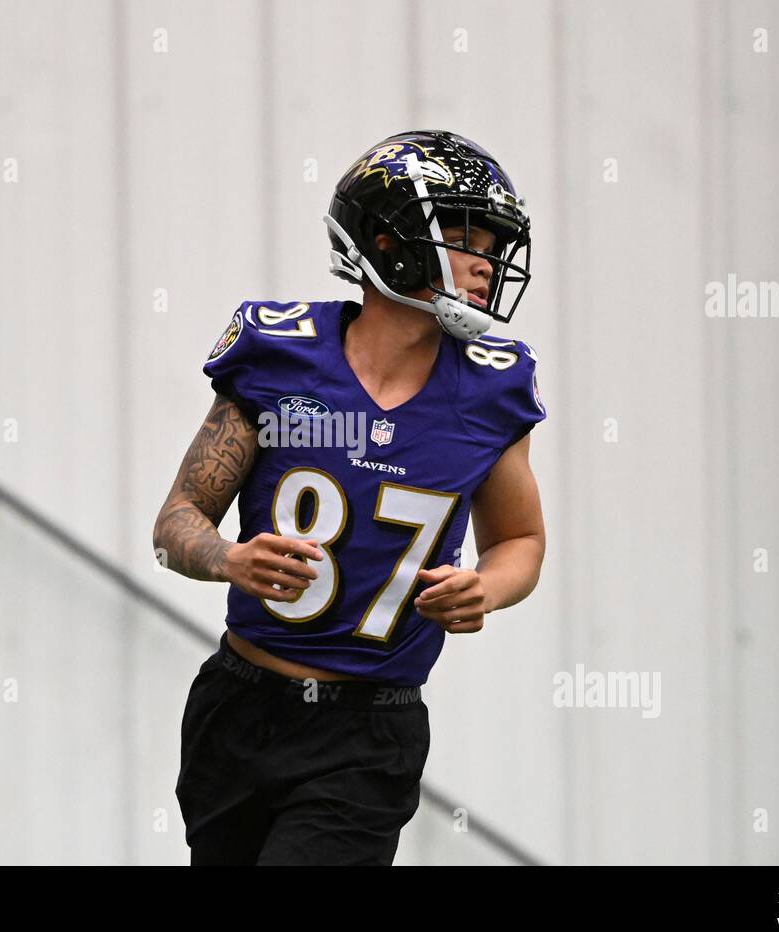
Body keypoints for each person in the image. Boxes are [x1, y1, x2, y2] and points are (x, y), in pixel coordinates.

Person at [153, 129, 547, 865]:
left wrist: (485, 589)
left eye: (494, 241)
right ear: (385, 239)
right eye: (465, 235)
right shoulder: (280, 355)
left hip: (368, 731)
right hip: (238, 707)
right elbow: (177, 520)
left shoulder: (492, 389)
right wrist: (229, 558)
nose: (486, 262)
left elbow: (519, 542)